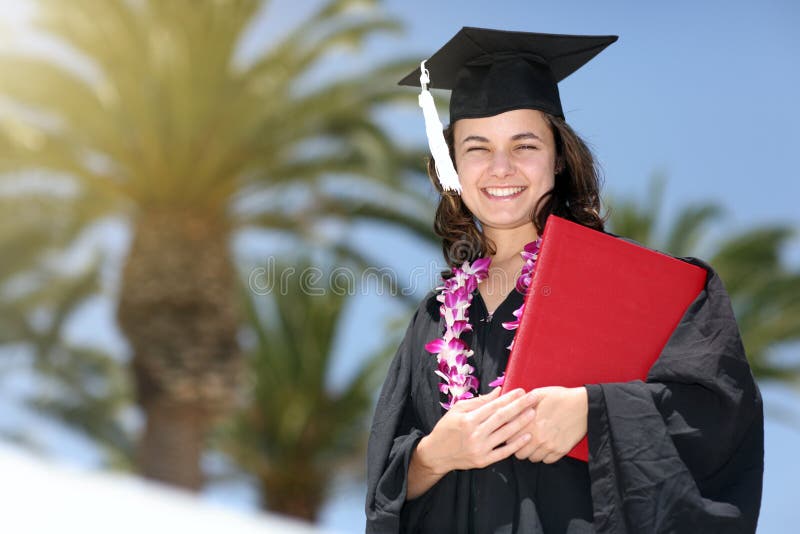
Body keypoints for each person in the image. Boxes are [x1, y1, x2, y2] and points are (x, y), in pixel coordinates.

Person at [365, 27, 763, 534]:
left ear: (558, 156)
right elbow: (383, 487)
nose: (501, 167)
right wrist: (433, 456)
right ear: (452, 167)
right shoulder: (435, 318)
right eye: (477, 147)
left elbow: (718, 416)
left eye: (524, 144)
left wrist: (593, 412)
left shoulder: (624, 287)